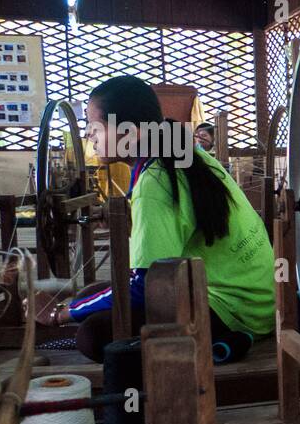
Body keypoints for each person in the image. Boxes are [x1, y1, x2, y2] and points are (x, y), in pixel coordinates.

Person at [29, 76, 275, 363]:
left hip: (231, 313)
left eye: (94, 127)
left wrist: (60, 314)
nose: (88, 136)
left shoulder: (155, 182)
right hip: (261, 301)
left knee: (93, 334)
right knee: (94, 292)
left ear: (129, 133)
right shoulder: (189, 155)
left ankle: (227, 341)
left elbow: (144, 288)